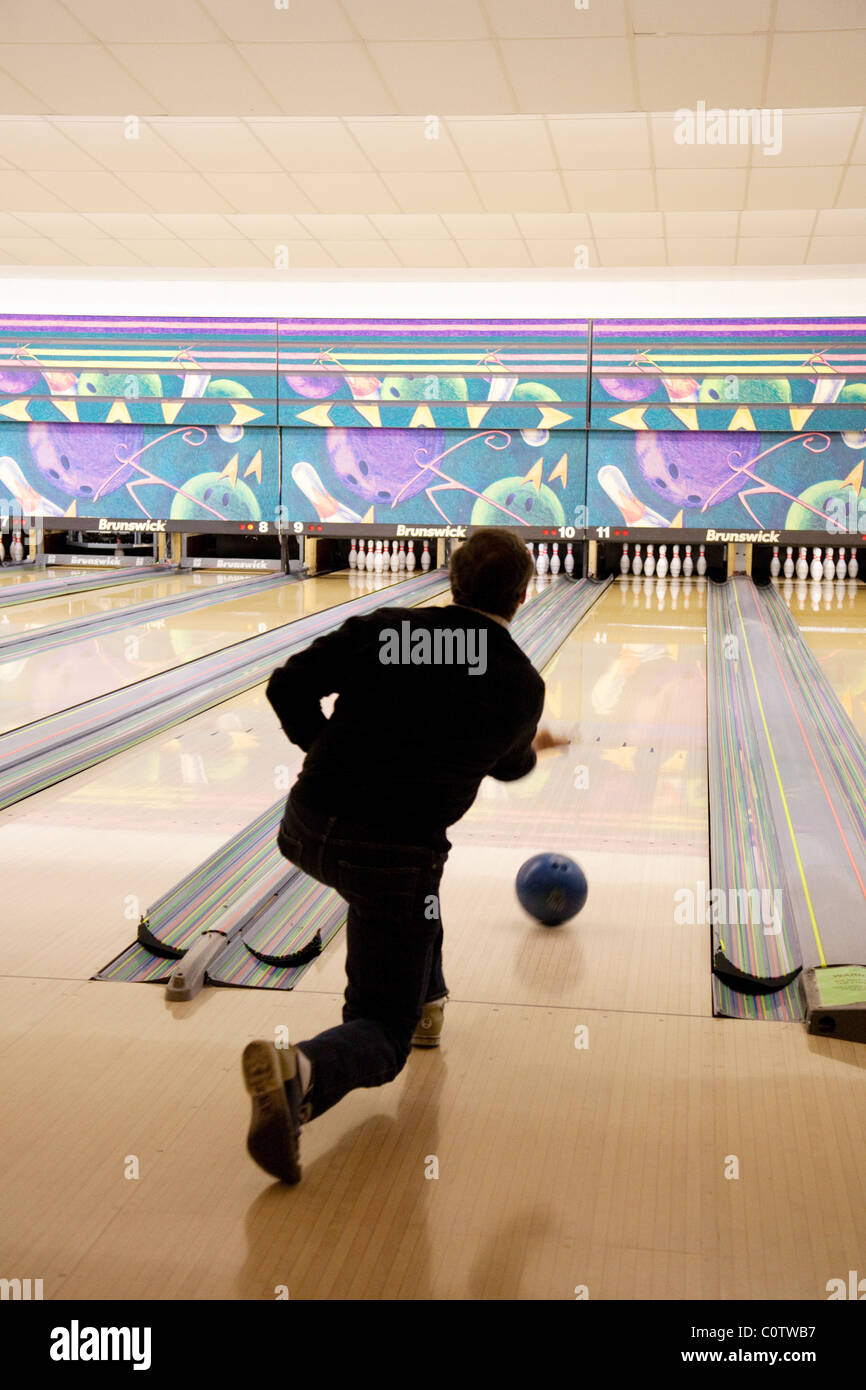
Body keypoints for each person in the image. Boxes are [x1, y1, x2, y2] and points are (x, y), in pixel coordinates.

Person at [242, 527, 567, 1183]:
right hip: (392, 860)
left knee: (415, 899)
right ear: (526, 593)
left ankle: (431, 999)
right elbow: (506, 767)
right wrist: (536, 747)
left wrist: (326, 753)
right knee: (381, 1033)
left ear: (452, 578)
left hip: (307, 827)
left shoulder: (389, 630)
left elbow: (287, 685)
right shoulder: (519, 685)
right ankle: (302, 1070)